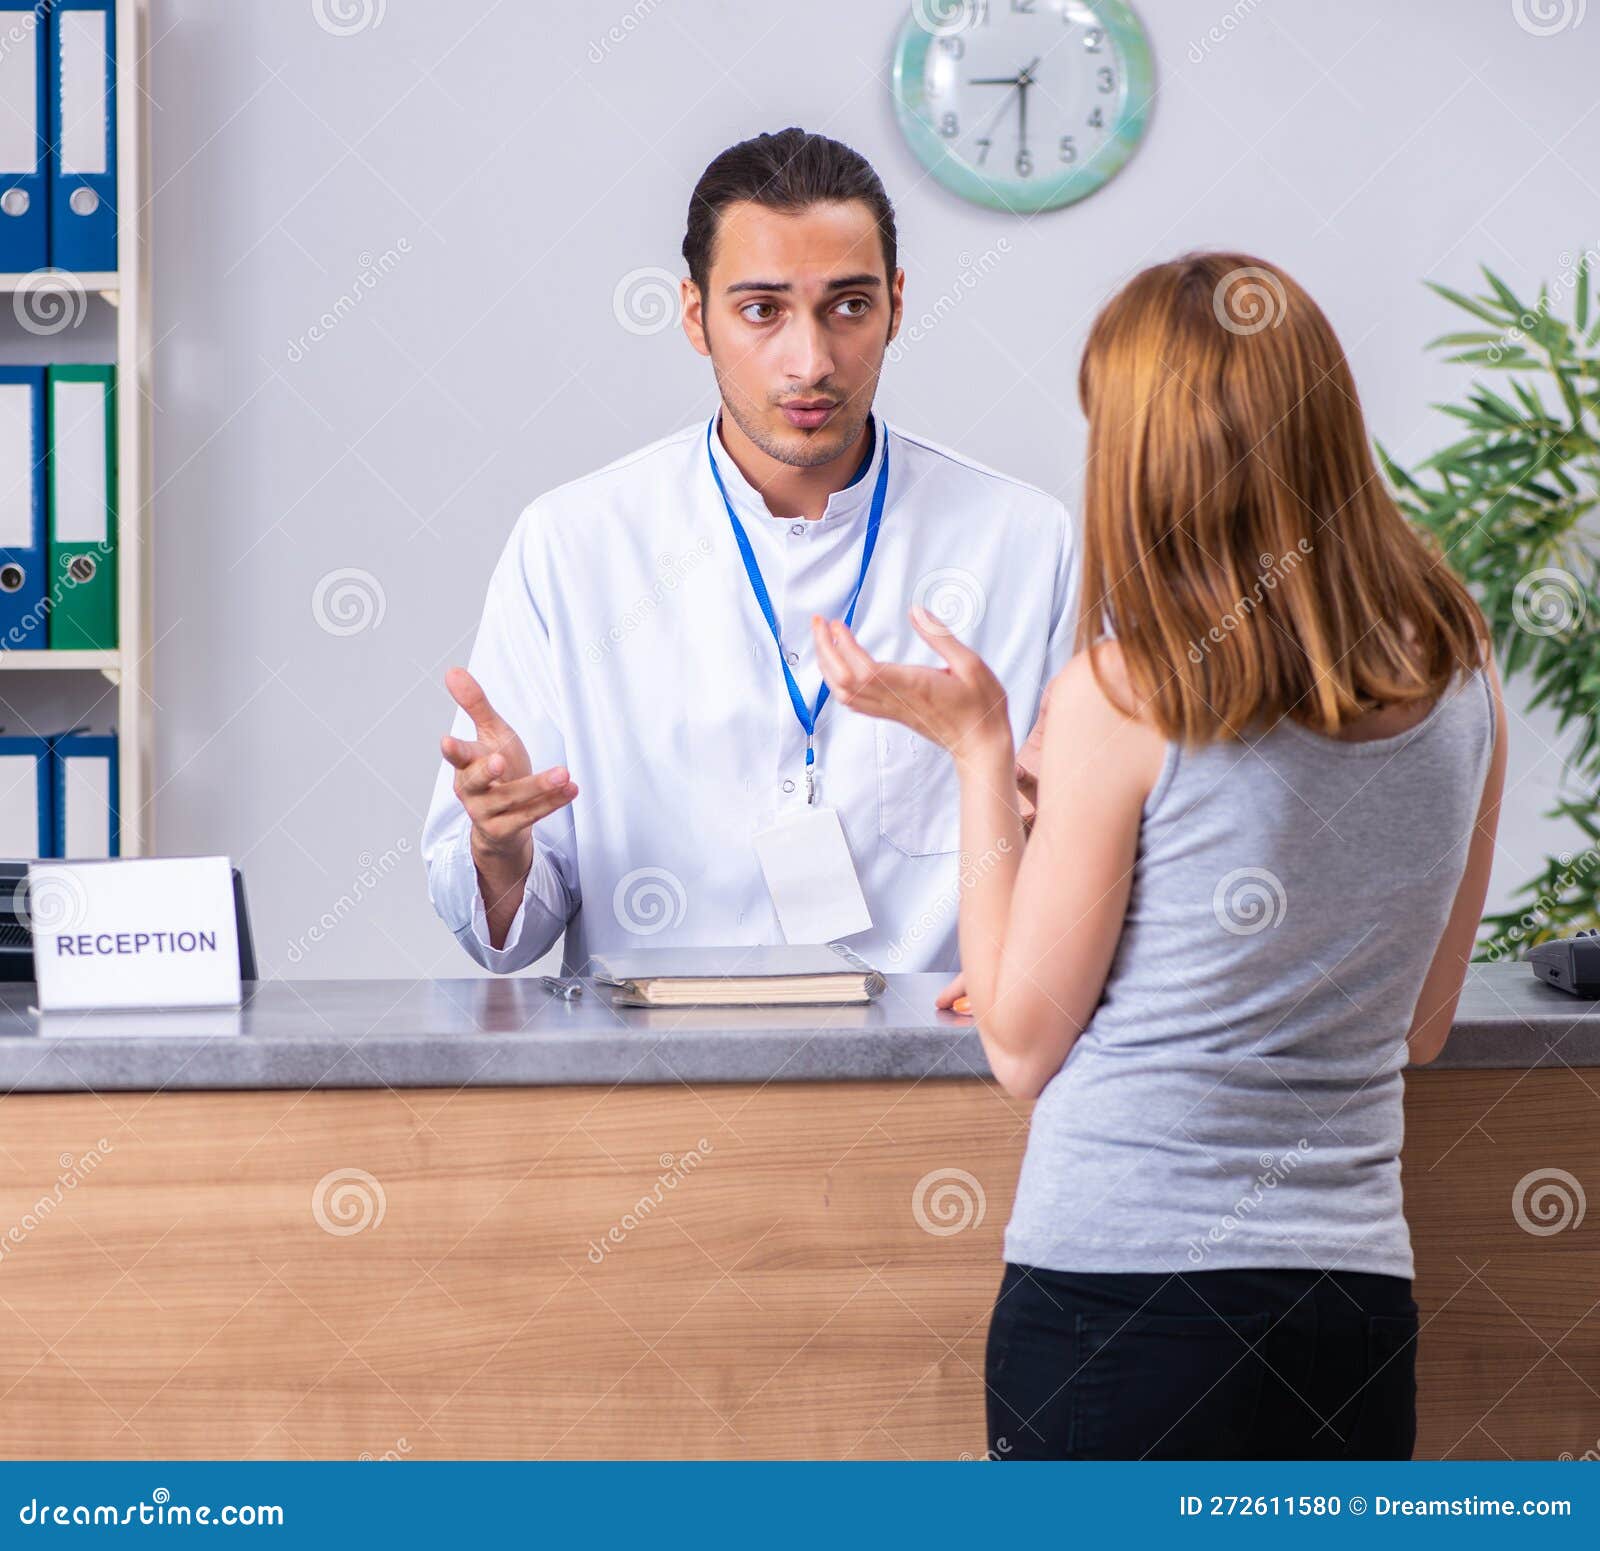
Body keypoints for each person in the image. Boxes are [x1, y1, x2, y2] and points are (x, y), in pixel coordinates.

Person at [812, 251, 1507, 1461]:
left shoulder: (1124, 694)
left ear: (1150, 455)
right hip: (1347, 1306)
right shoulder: (1460, 666)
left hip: (1120, 1301)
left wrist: (980, 749)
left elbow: (1023, 1044)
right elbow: (1422, 1023)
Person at [420, 128, 1073, 978]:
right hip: (648, 1076)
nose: (812, 362)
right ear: (696, 315)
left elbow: (1079, 882)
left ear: (898, 305)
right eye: (762, 310)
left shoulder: (1022, 539)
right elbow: (505, 935)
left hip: (933, 1082)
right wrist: (500, 847)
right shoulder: (575, 543)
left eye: (849, 306)